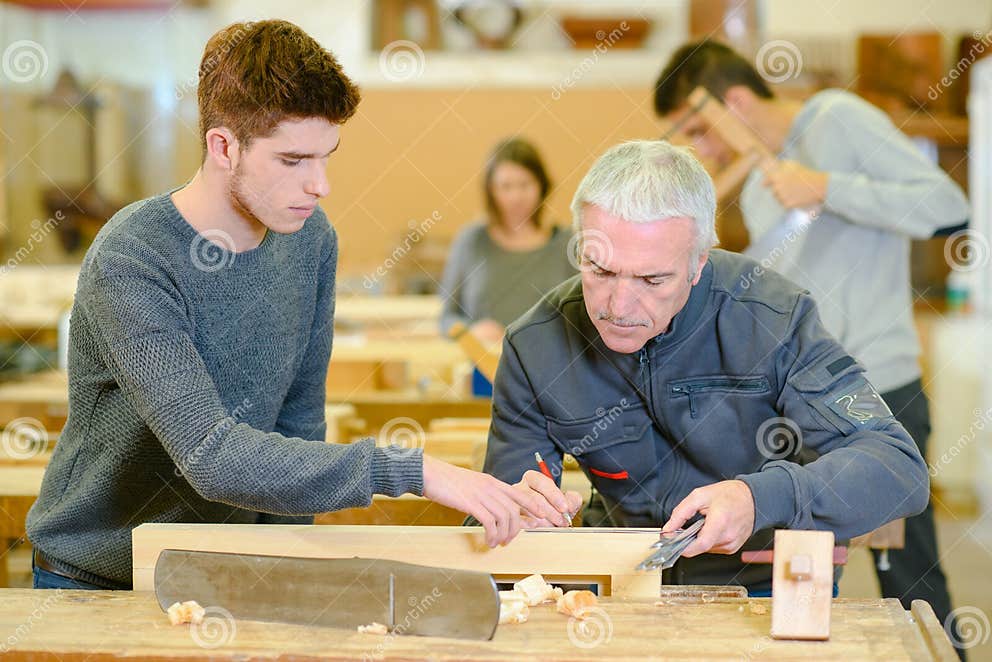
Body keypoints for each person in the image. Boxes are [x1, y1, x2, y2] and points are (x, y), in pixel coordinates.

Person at [25, 19, 567, 591]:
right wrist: (414, 471)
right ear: (223, 146)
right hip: (98, 577)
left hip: (228, 568)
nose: (320, 185)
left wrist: (285, 579)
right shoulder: (134, 256)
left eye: (326, 156)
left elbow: (299, 428)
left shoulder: (310, 239)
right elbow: (211, 453)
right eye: (293, 161)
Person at [482, 139, 930, 595]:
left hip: (765, 581)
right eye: (599, 270)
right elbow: (499, 515)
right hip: (622, 577)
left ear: (699, 262)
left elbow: (897, 468)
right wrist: (519, 514)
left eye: (652, 279)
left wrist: (758, 498)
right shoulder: (534, 345)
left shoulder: (772, 319)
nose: (618, 306)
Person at [653, 40, 967, 646]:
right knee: (806, 572)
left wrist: (827, 185)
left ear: (735, 101)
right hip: (802, 401)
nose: (702, 149)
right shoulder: (761, 187)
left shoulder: (834, 117)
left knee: (909, 570)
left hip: (879, 386)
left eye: (699, 128)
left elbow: (948, 207)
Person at [439, 137, 575, 346]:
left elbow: (583, 318)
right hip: (483, 367)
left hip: (550, 369)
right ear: (491, 190)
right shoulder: (471, 242)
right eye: (506, 186)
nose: (516, 197)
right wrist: (470, 331)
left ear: (542, 186)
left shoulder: (567, 243)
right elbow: (446, 319)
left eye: (525, 185)